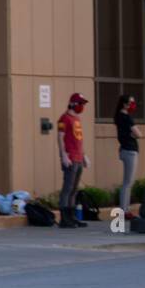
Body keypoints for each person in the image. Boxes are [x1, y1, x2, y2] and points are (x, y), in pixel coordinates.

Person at [56, 93, 90, 228]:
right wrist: (63, 155)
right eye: (81, 104)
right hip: (70, 157)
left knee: (74, 188)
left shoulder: (77, 119)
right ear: (73, 104)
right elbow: (60, 137)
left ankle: (72, 216)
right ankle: (64, 218)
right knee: (68, 188)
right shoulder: (63, 119)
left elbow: (79, 140)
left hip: (78, 157)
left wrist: (84, 155)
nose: (82, 107)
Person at [114, 94, 142, 218]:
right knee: (128, 182)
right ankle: (124, 210)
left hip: (124, 149)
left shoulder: (118, 116)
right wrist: (134, 134)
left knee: (127, 182)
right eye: (131, 103)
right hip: (130, 150)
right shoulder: (126, 117)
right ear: (125, 104)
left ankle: (124, 209)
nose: (133, 105)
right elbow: (138, 133)